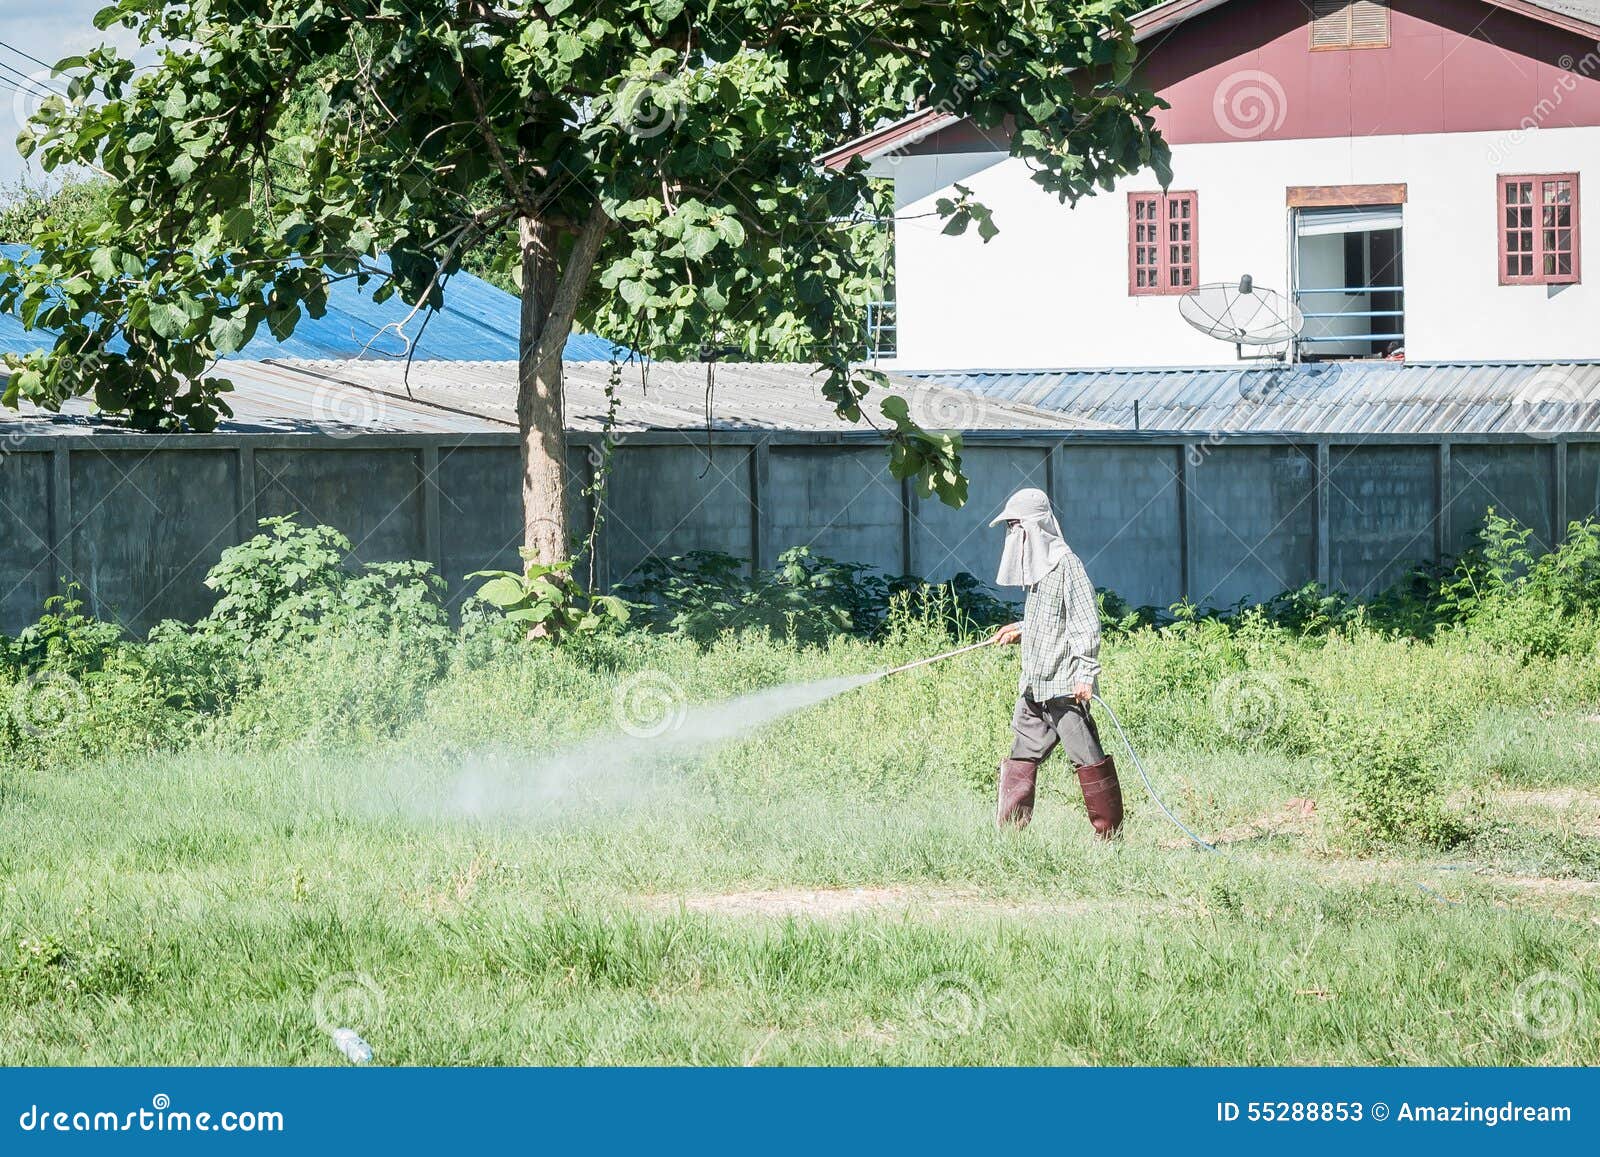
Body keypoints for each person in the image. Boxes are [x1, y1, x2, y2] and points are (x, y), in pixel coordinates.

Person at [986, 487, 1123, 837]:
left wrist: (1085, 674)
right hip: (1034, 686)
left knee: (1088, 758)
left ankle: (1109, 836)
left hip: (1063, 688)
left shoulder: (1066, 565)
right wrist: (1018, 628)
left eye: (1016, 525)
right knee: (1021, 757)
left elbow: (1084, 623)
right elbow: (1047, 620)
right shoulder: (1036, 570)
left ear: (1036, 525)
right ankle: (1010, 836)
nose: (1012, 533)